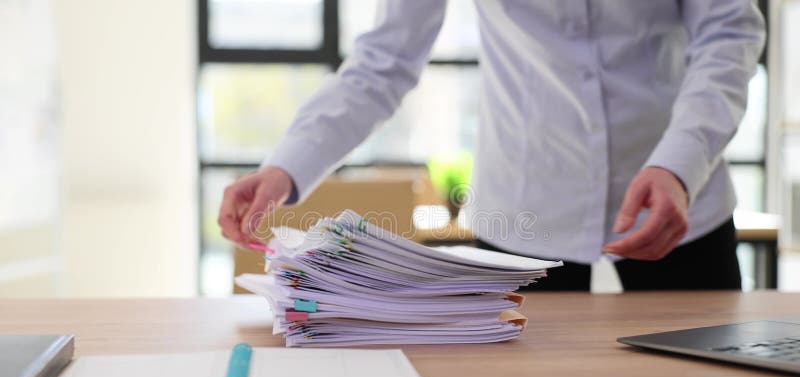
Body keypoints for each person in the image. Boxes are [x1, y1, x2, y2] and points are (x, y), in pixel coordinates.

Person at [218, 1, 765, 291]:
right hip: (525, 205)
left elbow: (729, 35)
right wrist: (286, 169)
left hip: (682, 195)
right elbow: (385, 61)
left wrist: (680, 163)